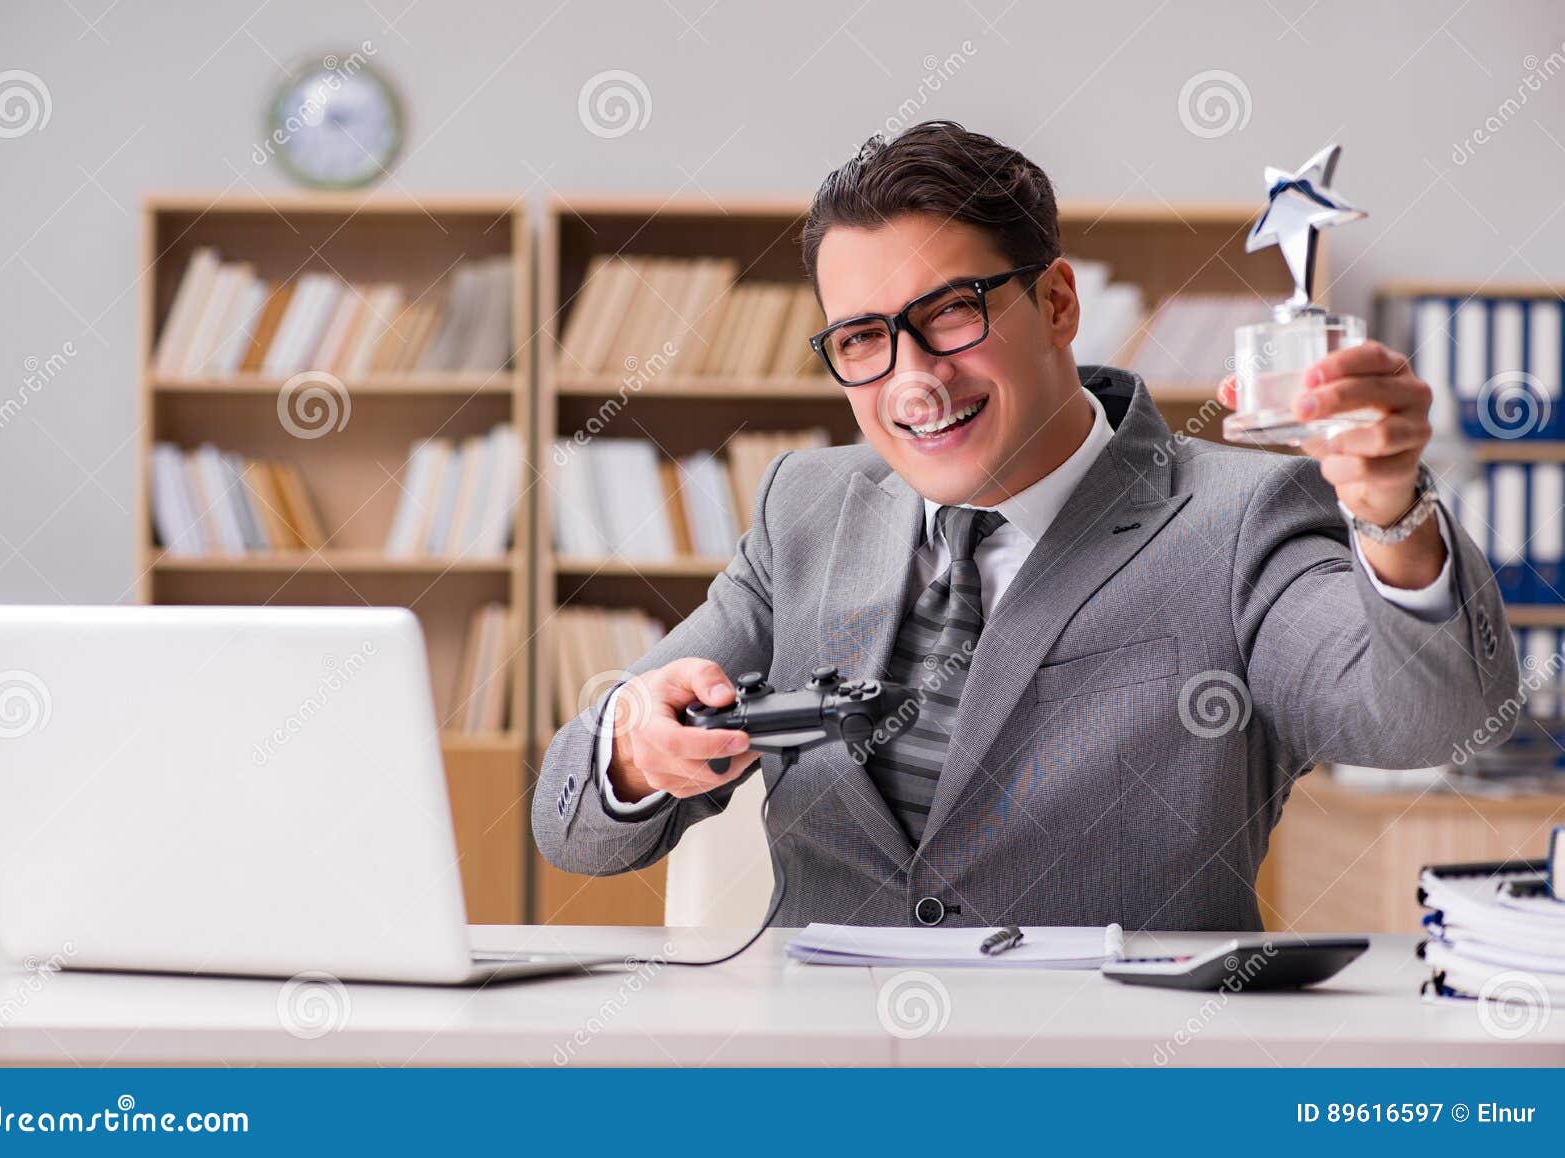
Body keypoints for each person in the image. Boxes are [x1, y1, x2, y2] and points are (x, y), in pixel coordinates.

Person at [532, 121, 1520, 931]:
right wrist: (634, 748)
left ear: (1055, 302)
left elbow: (1426, 720)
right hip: (821, 1073)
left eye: (951, 314)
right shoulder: (807, 507)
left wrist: (1392, 511)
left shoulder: (1237, 515)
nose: (914, 380)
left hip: (1111, 1082)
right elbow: (574, 828)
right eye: (864, 339)